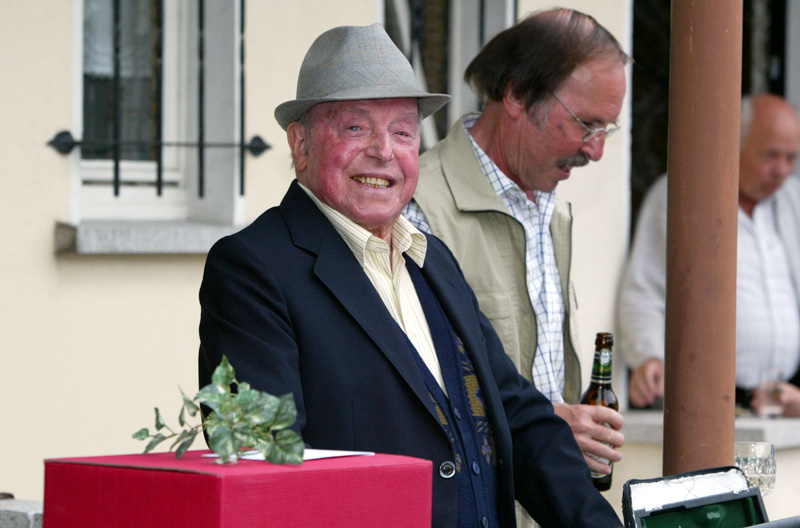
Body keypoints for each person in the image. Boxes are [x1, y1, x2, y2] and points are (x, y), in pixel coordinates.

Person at [198, 24, 621, 528]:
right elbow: (265, 461)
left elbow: (520, 419)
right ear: (301, 143)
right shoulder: (253, 268)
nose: (384, 150)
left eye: (402, 131)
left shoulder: (431, 258)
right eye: (355, 128)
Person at [403, 9, 629, 513]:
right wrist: (549, 421)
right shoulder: (420, 208)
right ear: (516, 95)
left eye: (605, 129)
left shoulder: (554, 210)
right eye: (585, 125)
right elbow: (415, 389)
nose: (595, 151)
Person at [617, 94, 800, 414]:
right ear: (733, 144)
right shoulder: (681, 196)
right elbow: (645, 292)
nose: (782, 170)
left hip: (785, 406)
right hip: (704, 407)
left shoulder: (793, 201)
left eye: (791, 158)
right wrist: (647, 355)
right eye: (771, 156)